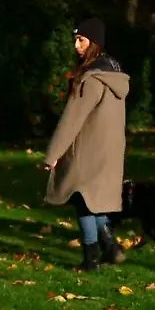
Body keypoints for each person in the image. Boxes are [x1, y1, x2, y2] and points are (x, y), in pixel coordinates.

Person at [43, 17, 131, 270]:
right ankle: (111, 247)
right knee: (94, 200)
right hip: (110, 149)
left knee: (81, 199)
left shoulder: (91, 79)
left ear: (94, 43)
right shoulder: (115, 75)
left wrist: (52, 154)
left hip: (87, 149)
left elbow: (72, 119)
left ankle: (91, 258)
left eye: (81, 40)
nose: (76, 46)